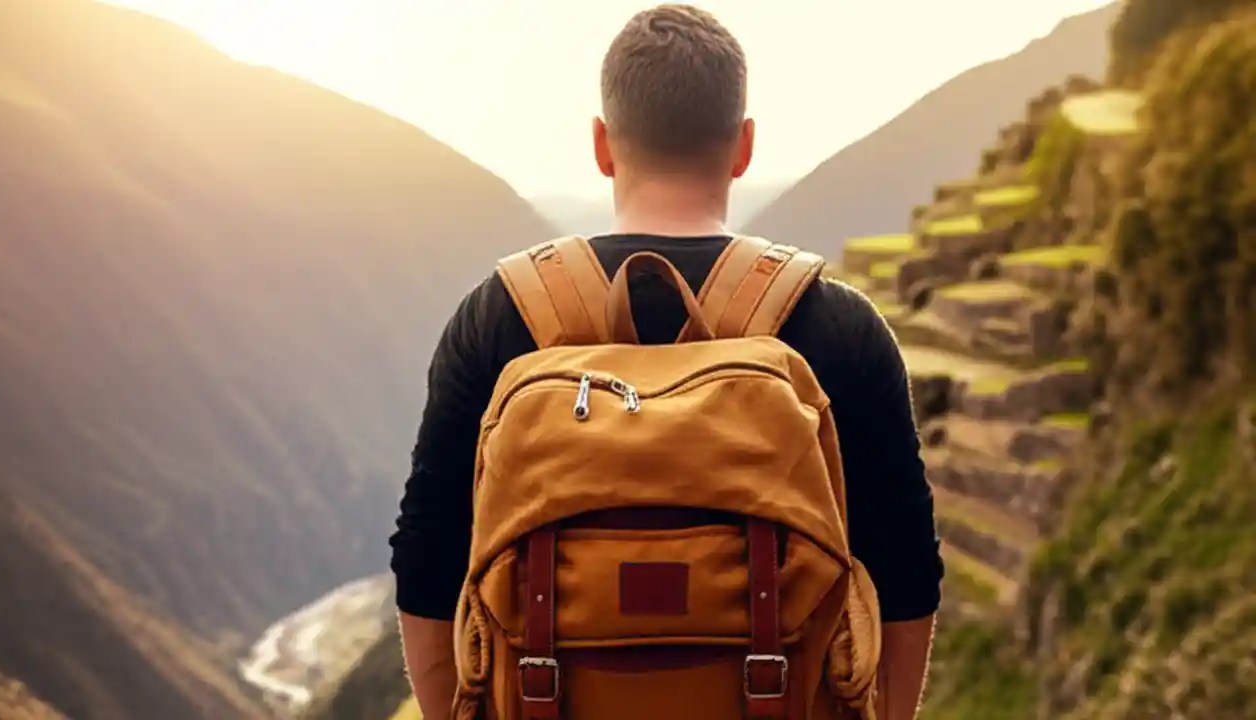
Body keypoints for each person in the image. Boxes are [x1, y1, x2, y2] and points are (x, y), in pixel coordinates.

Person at [388, 4, 943, 719]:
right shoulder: (840, 328)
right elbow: (906, 573)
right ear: (743, 147)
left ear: (601, 144)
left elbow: (425, 563)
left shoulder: (499, 319)